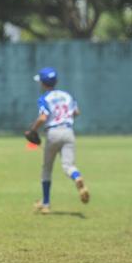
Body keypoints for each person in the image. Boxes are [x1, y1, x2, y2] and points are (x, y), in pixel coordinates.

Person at [26, 66, 89, 214]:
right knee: (68, 166)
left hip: (53, 133)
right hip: (68, 131)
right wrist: (65, 118)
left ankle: (46, 204)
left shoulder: (44, 98)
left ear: (42, 83)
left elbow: (43, 117)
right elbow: (76, 112)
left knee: (47, 168)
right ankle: (77, 177)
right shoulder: (67, 95)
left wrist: (33, 129)